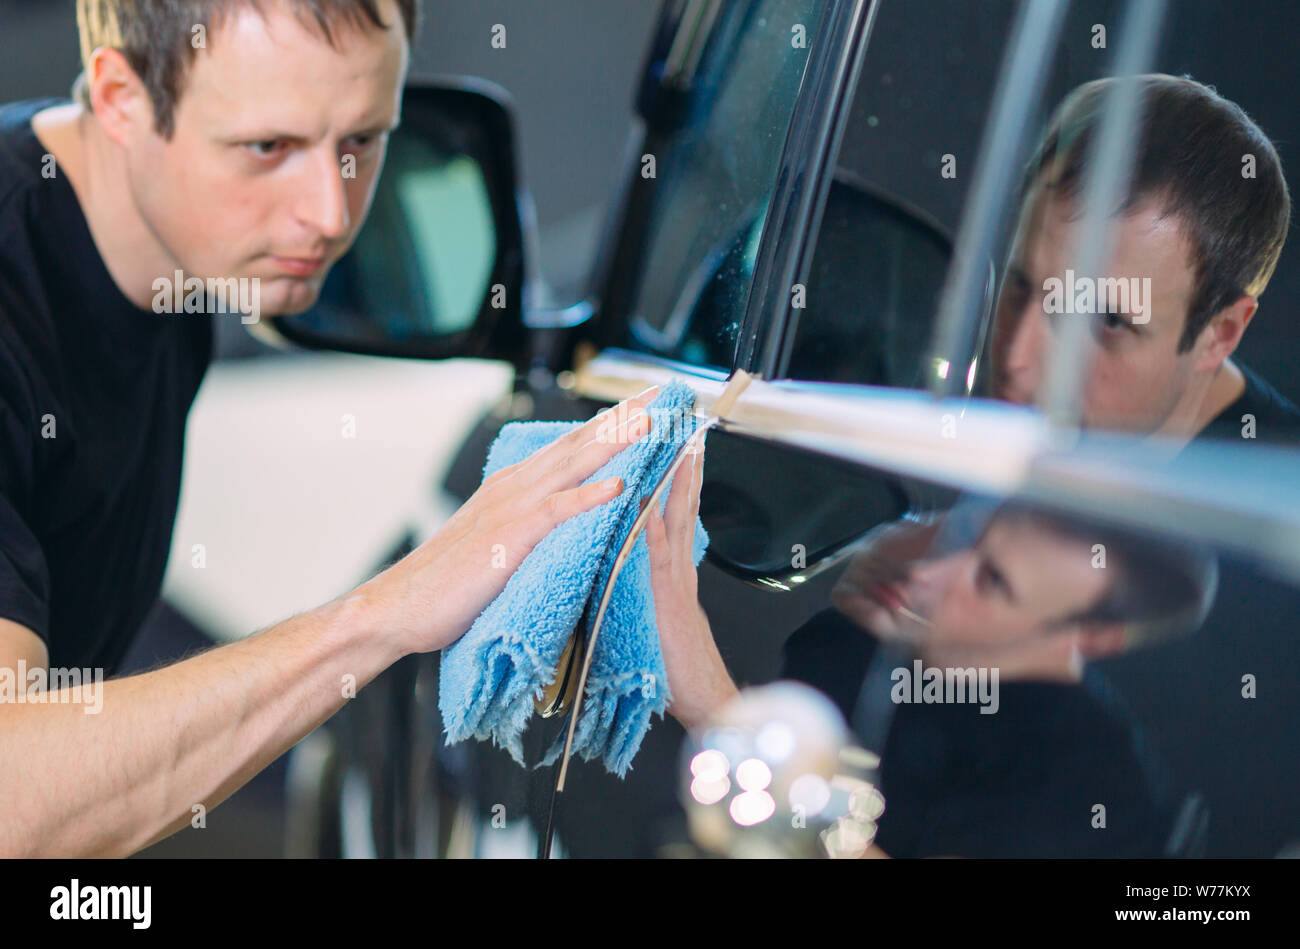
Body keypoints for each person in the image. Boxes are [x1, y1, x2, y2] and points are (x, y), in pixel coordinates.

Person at [0, 0, 661, 857]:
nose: (328, 214)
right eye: (267, 149)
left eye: (361, 142)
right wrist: (390, 610)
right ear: (121, 97)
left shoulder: (183, 260)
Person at [649, 475, 1218, 857]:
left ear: (1090, 636)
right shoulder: (854, 640)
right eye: (967, 527)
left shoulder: (1090, 793)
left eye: (991, 580)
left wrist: (716, 710)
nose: (927, 572)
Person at [988, 74, 1298, 445]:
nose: (1015, 361)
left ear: (1220, 334)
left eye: (1107, 320)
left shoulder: (1277, 496)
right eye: (1020, 283)